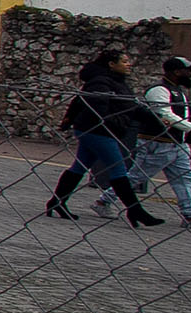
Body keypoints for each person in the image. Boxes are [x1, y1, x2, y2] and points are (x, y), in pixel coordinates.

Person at [48, 46, 164, 227]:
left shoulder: (118, 82)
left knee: (79, 166)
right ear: (111, 64)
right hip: (96, 131)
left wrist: (158, 121)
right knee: (118, 169)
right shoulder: (100, 83)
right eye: (124, 61)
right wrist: (118, 123)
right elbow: (98, 110)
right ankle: (135, 210)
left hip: (97, 130)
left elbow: (131, 106)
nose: (129, 64)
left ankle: (56, 202)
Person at [120, 54, 191, 227]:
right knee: (136, 177)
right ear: (176, 72)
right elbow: (166, 115)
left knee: (185, 178)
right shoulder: (159, 90)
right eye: (188, 70)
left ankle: (190, 215)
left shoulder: (178, 91)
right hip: (157, 142)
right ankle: (104, 200)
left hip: (178, 144)